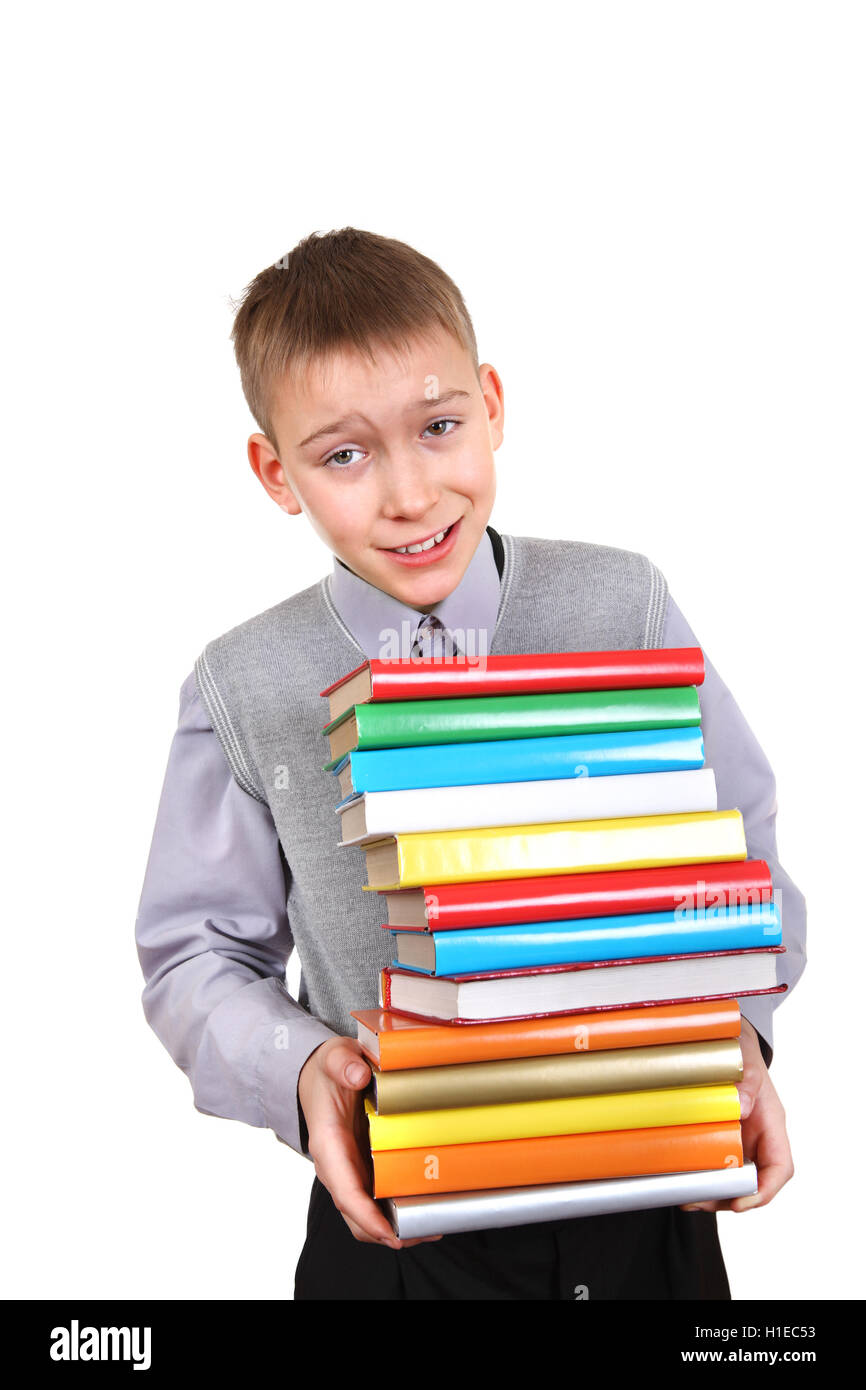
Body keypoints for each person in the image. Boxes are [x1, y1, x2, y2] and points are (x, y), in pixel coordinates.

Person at [135, 227, 805, 1300]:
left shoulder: (621, 604)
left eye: (438, 427)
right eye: (343, 454)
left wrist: (741, 1034)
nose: (407, 493)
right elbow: (195, 953)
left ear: (492, 405)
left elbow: (739, 853)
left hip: (645, 1201)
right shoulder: (244, 682)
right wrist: (302, 1068)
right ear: (275, 471)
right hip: (400, 1223)